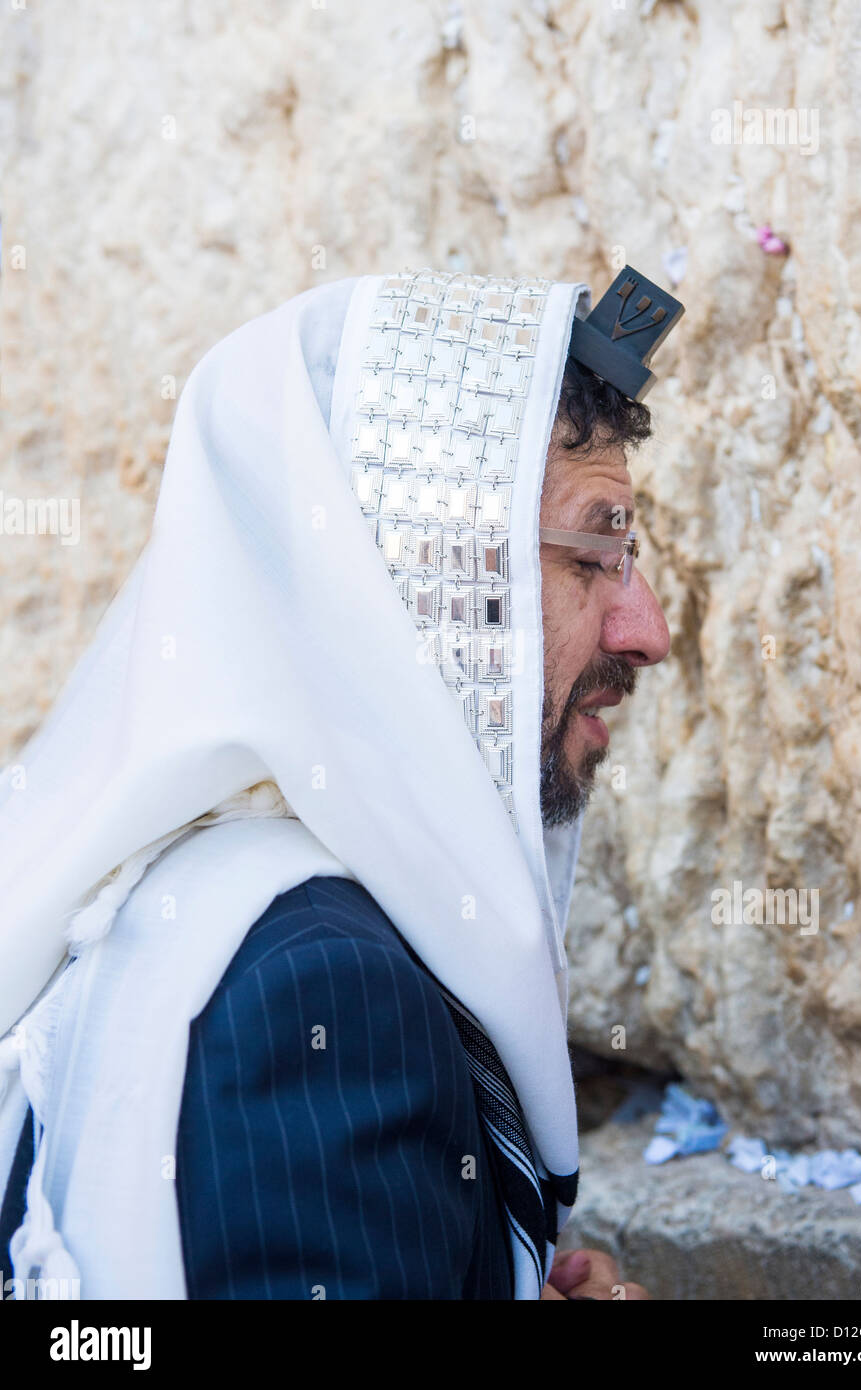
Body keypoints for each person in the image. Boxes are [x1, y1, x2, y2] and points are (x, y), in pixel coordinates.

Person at [0, 263, 681, 1300]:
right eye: (595, 549)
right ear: (421, 575)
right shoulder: (321, 991)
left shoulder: (217, 902)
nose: (648, 633)